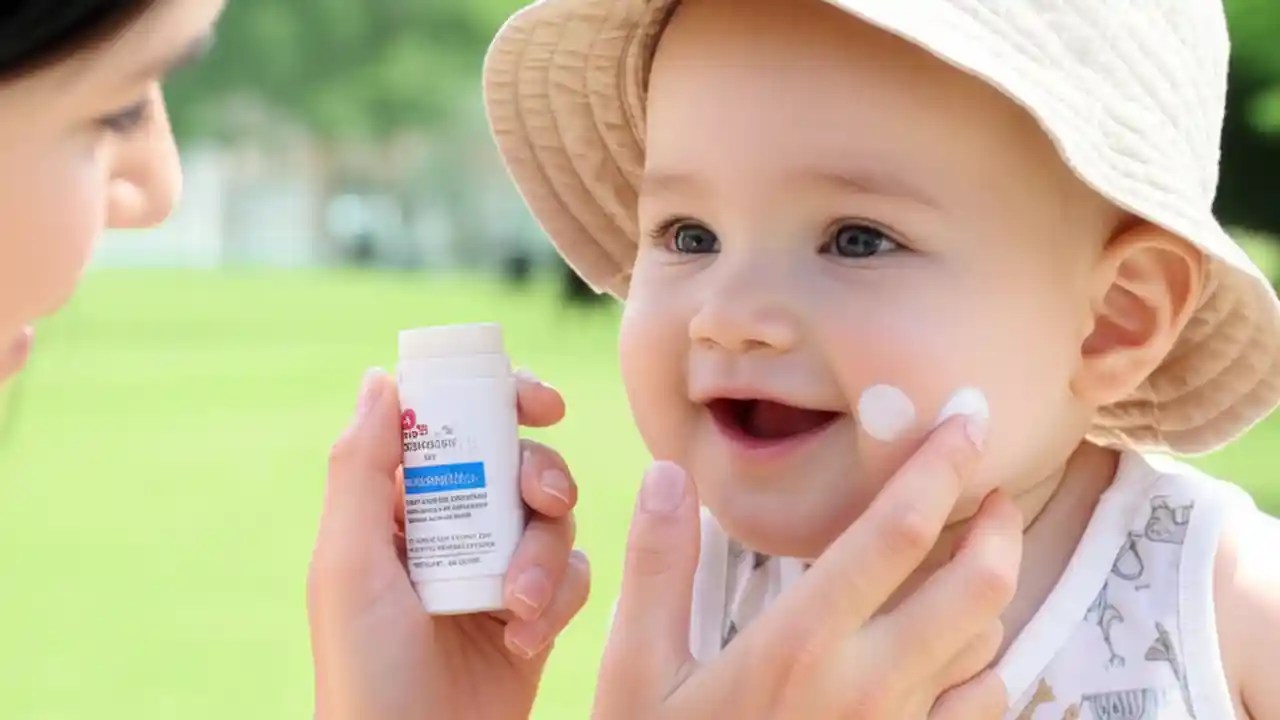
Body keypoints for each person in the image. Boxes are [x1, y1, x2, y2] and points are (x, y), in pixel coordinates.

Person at [0, 2, 1024, 718]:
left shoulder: (1183, 583)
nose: (158, 187)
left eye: (854, 238)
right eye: (119, 106)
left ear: (1116, 325)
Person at [483, 0, 1280, 717]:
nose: (726, 319)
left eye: (857, 239)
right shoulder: (697, 594)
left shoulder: (1221, 609)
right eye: (690, 235)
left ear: (1113, 320)